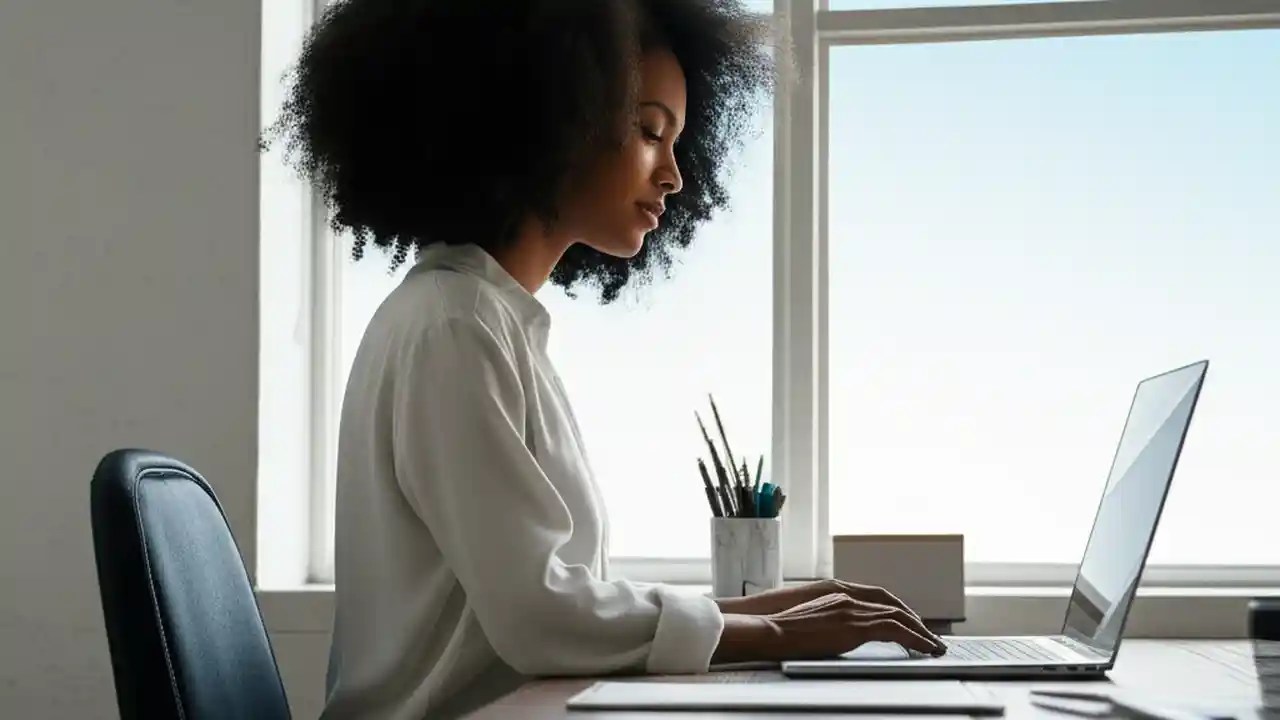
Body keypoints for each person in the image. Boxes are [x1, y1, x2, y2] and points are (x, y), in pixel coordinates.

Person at [262, 0, 946, 717]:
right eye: (651, 131)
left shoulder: (486, 319)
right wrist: (772, 631)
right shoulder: (453, 328)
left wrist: (783, 608)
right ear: (552, 115)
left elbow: (558, 601)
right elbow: (541, 620)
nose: (675, 175)